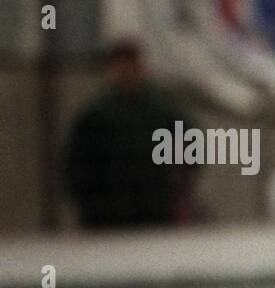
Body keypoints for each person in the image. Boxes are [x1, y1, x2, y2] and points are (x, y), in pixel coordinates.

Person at [64, 39, 199, 228]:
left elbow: (190, 143)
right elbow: (76, 162)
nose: (127, 72)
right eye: (121, 66)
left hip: (155, 208)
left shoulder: (161, 109)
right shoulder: (97, 113)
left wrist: (179, 189)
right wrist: (87, 200)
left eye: (131, 65)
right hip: (107, 212)